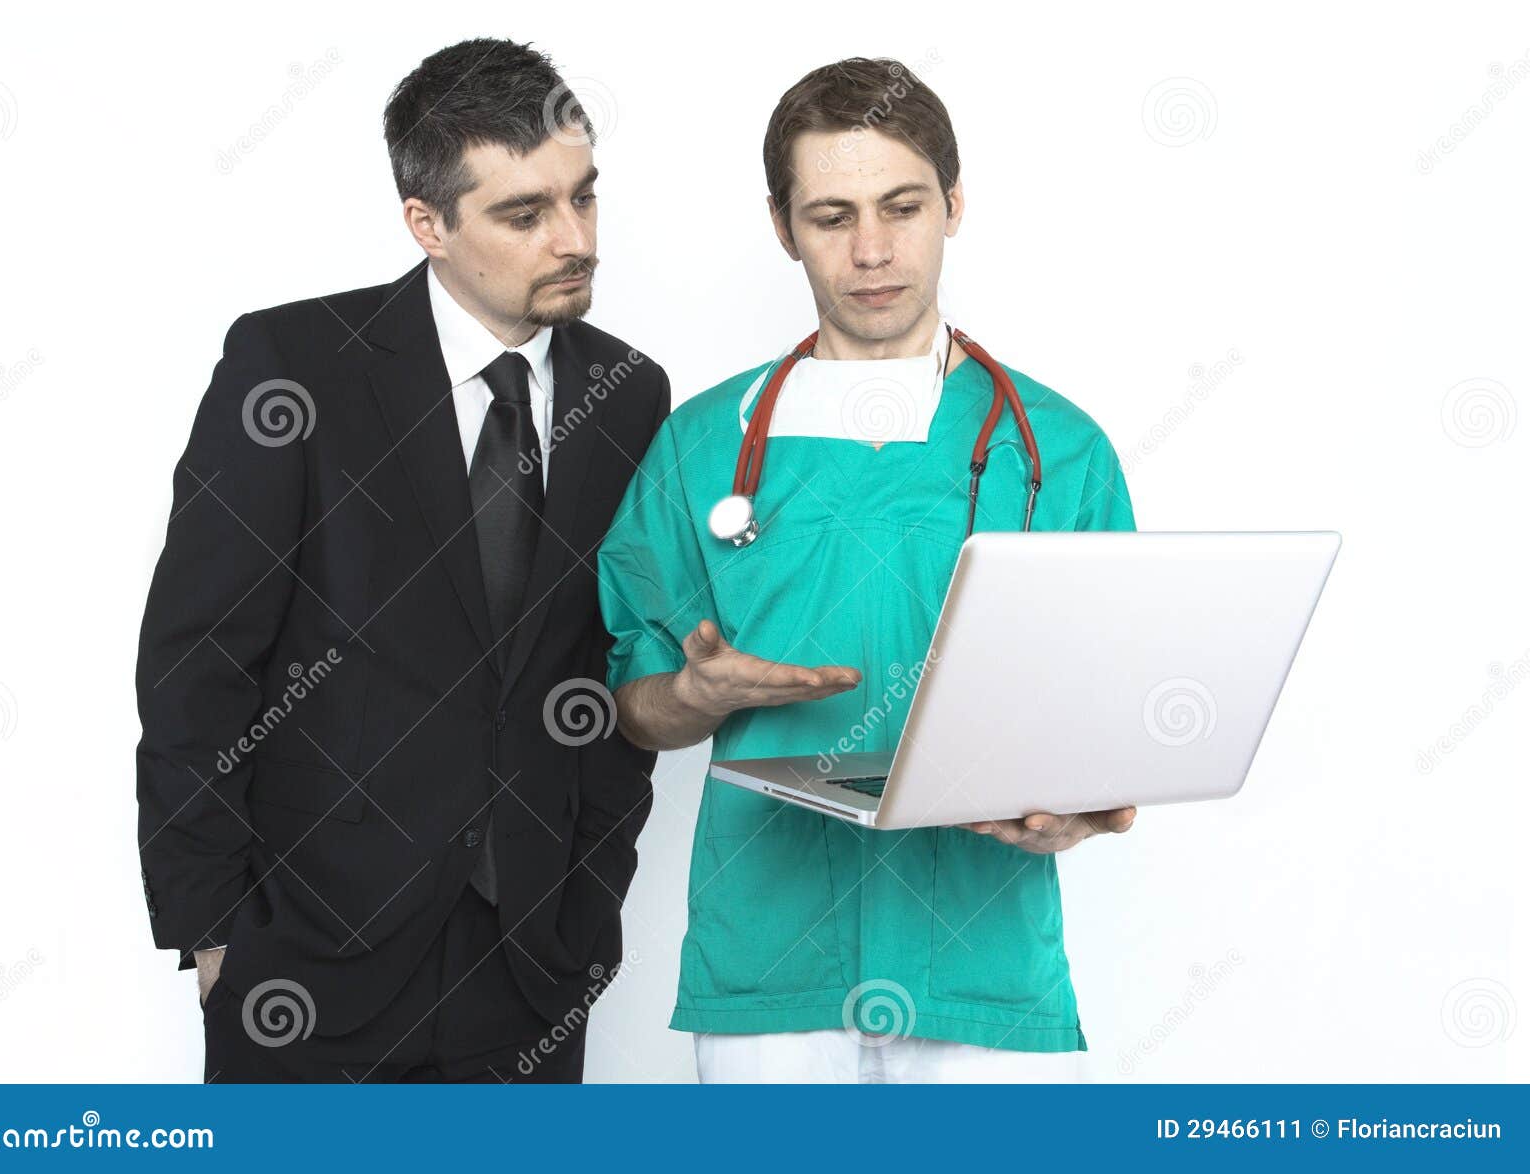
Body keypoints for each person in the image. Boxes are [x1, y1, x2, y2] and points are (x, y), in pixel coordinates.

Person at [135, 37, 668, 1082]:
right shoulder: (292, 367)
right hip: (305, 963)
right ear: (427, 224)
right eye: (524, 214)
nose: (574, 238)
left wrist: (586, 896)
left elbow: (608, 669)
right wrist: (213, 934)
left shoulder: (631, 393)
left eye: (583, 198)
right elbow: (197, 661)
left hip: (530, 967)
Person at [597, 57, 1136, 1084]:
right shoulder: (702, 447)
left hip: (983, 962)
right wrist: (689, 694)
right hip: (771, 962)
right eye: (831, 215)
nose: (873, 250)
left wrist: (1081, 808)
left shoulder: (1058, 450)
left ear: (954, 204)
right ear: (780, 226)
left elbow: (1113, 718)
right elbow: (637, 704)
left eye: (902, 206)